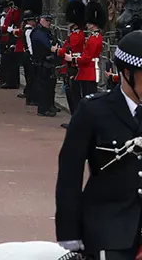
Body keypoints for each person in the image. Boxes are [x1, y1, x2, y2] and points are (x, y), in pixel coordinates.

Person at [55, 29, 142, 259]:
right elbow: (69, 174)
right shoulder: (93, 110)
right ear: (127, 73)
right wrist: (69, 231)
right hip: (108, 228)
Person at [31, 13, 59, 117]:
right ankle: (43, 109)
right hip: (42, 62)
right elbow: (48, 46)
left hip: (49, 62)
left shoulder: (46, 32)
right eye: (47, 21)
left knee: (50, 86)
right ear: (41, 20)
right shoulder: (38, 32)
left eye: (49, 21)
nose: (49, 23)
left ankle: (49, 105)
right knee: (43, 87)